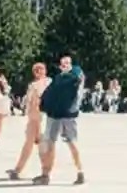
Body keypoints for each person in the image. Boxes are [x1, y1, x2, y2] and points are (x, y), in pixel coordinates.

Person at [35, 56, 85, 186]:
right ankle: (48, 174)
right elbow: (49, 93)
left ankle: (78, 171)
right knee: (55, 143)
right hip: (62, 115)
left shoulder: (72, 77)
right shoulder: (66, 77)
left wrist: (44, 105)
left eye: (67, 64)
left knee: (63, 143)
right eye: (62, 64)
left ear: (71, 64)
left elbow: (49, 93)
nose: (64, 66)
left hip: (62, 115)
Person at [7, 62, 49, 181]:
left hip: (40, 117)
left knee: (40, 145)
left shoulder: (45, 84)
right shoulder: (36, 84)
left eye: (40, 69)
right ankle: (18, 169)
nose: (38, 72)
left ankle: (44, 172)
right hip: (34, 118)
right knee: (29, 144)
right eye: (36, 70)